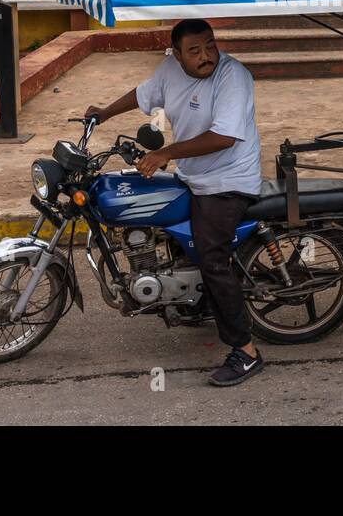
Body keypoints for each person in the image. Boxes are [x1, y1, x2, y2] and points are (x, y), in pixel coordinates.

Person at [83, 19, 265, 387]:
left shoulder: (234, 77)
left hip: (228, 180)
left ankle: (246, 352)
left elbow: (225, 136)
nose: (206, 56)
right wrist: (104, 113)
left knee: (211, 256)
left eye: (210, 46)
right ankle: (194, 301)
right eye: (194, 50)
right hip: (194, 176)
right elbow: (143, 94)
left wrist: (166, 153)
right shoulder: (170, 70)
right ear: (176, 54)